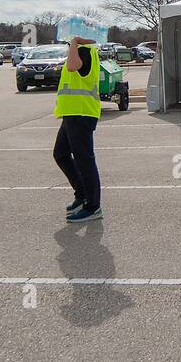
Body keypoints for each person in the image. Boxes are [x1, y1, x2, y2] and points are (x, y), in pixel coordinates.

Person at [52, 34, 103, 223]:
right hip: (71, 113)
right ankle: (82, 194)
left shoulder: (85, 51)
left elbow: (73, 67)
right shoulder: (80, 50)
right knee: (61, 154)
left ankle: (93, 206)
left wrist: (74, 43)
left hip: (81, 113)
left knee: (85, 161)